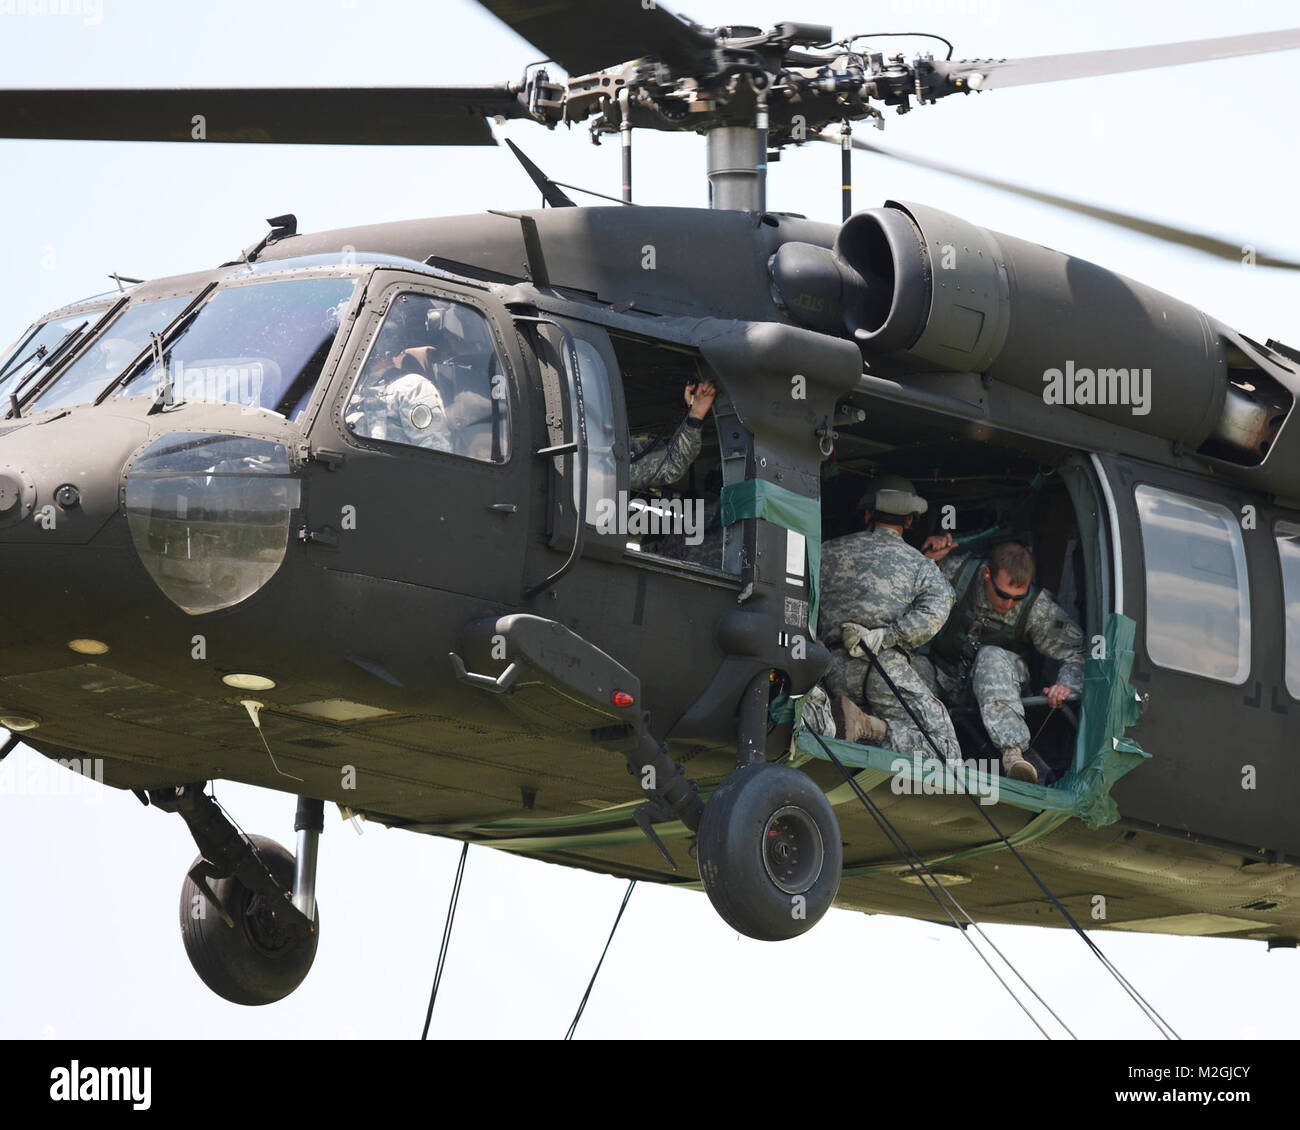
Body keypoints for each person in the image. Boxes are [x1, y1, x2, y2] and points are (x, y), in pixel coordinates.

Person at [817, 475, 961, 763]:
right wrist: (887, 637)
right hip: (884, 668)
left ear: (867, 513)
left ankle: (837, 725)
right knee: (944, 751)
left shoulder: (823, 552)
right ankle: (875, 728)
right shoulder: (921, 566)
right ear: (909, 521)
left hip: (829, 669)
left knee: (812, 728)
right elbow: (936, 610)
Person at [920, 535, 1085, 784]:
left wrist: (1067, 684)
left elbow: (1078, 651)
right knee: (907, 663)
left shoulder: (1037, 608)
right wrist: (926, 560)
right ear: (987, 574)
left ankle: (1013, 756)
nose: (1009, 604)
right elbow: (911, 587)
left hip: (1000, 693)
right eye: (1002, 594)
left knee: (991, 655)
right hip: (942, 679)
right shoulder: (958, 573)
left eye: (1017, 597)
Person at [629, 379, 716, 489]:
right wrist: (695, 418)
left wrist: (695, 415)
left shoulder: (615, 448)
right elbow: (672, 464)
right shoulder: (610, 469)